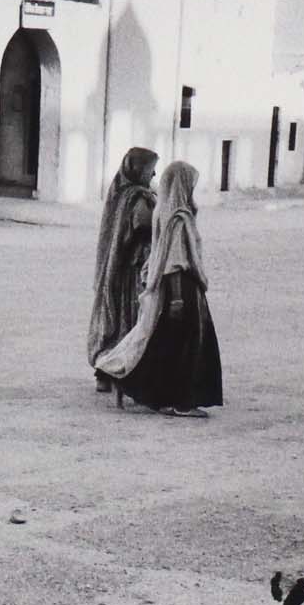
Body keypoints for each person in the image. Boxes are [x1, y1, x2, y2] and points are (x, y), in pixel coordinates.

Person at [94, 160, 222, 416]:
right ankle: (181, 401)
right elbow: (175, 262)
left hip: (175, 288)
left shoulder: (168, 213)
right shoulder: (178, 219)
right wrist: (176, 299)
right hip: (181, 288)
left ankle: (146, 388)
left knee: (160, 343)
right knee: (185, 346)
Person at [87, 147, 159, 391]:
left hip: (115, 268)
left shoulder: (118, 192)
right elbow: (143, 225)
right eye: (151, 169)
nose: (154, 174)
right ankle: (119, 372)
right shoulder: (138, 197)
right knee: (128, 320)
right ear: (139, 169)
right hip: (131, 270)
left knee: (112, 317)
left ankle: (105, 372)